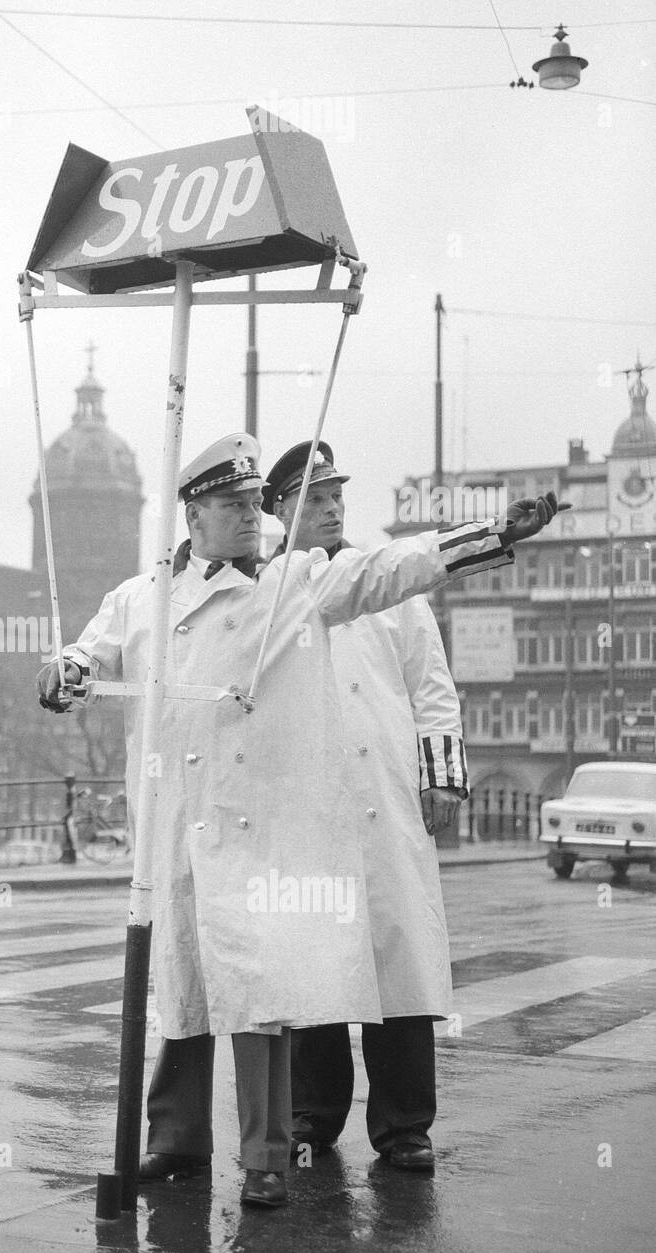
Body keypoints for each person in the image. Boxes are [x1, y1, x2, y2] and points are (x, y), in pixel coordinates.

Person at [38, 432, 564, 1207]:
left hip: (288, 814)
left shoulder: (296, 583)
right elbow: (91, 652)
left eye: (257, 503)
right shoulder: (142, 594)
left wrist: (484, 536)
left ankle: (295, 1151)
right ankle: (190, 1142)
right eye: (236, 504)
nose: (253, 517)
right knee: (186, 990)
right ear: (195, 515)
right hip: (184, 817)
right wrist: (67, 671)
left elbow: (399, 592)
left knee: (287, 989)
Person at [263, 441, 463, 1171]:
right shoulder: (271, 588)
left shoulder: (391, 585)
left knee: (398, 962)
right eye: (314, 498)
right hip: (309, 804)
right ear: (279, 510)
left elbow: (431, 686)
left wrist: (441, 778)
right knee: (317, 965)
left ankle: (405, 1125)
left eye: (335, 494)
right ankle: (311, 1117)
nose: (330, 507)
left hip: (385, 797)